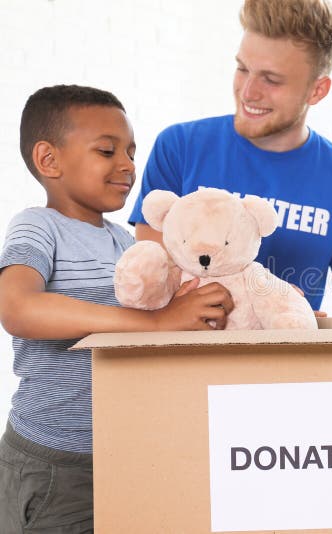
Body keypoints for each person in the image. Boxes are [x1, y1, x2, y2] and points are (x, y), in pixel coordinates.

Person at [0, 85, 234, 532]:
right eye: (107, 151)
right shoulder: (38, 226)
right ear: (49, 160)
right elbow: (17, 307)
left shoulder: (125, 243)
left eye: (130, 151)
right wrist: (155, 322)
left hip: (122, 456)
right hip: (55, 466)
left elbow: (173, 321)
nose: (127, 165)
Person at [128, 0, 332, 327]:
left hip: (288, 368)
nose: (248, 92)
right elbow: (151, 287)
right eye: (242, 68)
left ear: (317, 90)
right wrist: (256, 302)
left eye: (271, 80)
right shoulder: (179, 148)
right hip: (179, 367)